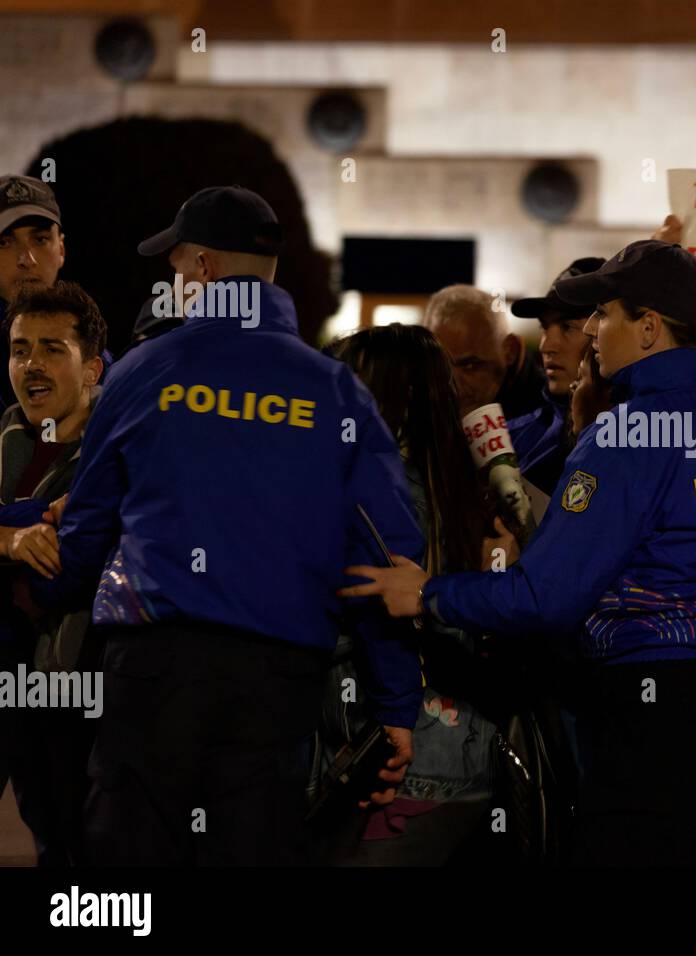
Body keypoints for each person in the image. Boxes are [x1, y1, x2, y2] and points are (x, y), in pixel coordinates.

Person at [343, 239, 696, 866]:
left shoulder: (626, 435)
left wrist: (425, 593)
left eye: (603, 314)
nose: (592, 330)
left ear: (648, 328)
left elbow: (544, 596)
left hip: (660, 726)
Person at [28, 185, 425, 865]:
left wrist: (40, 588)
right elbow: (385, 558)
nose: (173, 284)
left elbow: (85, 534)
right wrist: (395, 705)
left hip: (153, 674)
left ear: (205, 268)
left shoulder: (144, 370)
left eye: (177, 268)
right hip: (276, 685)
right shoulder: (335, 390)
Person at [317, 323, 504, 865]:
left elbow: (370, 616)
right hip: (463, 753)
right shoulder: (467, 488)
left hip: (392, 757)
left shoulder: (374, 496)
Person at [0, 280, 106, 866]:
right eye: (20, 350)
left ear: (91, 368)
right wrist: (12, 537)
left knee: (83, 843)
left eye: (51, 349)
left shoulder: (117, 450)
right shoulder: (4, 435)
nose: (31, 364)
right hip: (13, 678)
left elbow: (71, 563)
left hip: (85, 686)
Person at [508, 257, 605, 497]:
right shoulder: (511, 439)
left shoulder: (643, 436)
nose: (546, 346)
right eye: (544, 327)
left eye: (567, 327)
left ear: (602, 332)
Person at [424, 284, 547, 420]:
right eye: (441, 366)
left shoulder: (553, 415)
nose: (452, 385)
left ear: (510, 350)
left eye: (470, 365)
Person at [0, 176, 66, 410]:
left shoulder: (87, 340)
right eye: (4, 243)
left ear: (61, 250)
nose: (27, 259)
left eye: (40, 239)